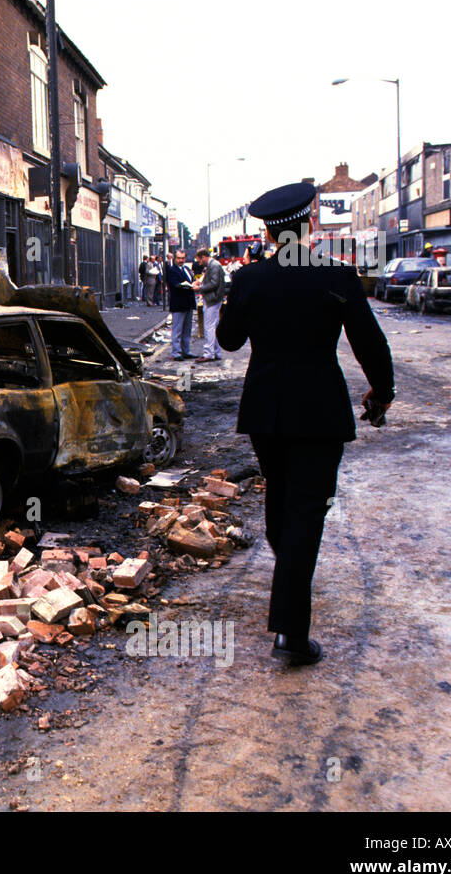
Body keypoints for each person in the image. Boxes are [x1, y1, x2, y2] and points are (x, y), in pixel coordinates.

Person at [216, 182, 395, 665]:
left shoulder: (250, 279)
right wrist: (383, 392)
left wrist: (238, 302)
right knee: (304, 513)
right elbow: (370, 345)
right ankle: (291, 635)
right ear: (309, 225)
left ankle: (289, 579)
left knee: (283, 502)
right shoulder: (336, 277)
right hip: (319, 411)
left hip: (266, 412)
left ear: (270, 234)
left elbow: (228, 341)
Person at [192, 248, 227, 361]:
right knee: (214, 326)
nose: (199, 263)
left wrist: (199, 288)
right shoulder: (213, 265)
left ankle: (209, 353)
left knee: (209, 327)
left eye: (199, 260)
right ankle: (216, 352)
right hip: (215, 298)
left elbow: (214, 283)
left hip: (212, 298)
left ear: (203, 257)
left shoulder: (214, 266)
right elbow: (211, 280)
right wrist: (200, 281)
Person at [166, 249, 195, 360]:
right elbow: (175, 285)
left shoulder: (187, 269)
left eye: (182, 258)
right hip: (178, 304)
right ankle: (176, 353)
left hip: (188, 303)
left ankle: (186, 351)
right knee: (177, 330)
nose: (181, 260)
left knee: (187, 330)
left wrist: (194, 284)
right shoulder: (172, 270)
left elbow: (191, 281)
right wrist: (189, 286)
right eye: (179, 258)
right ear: (174, 258)